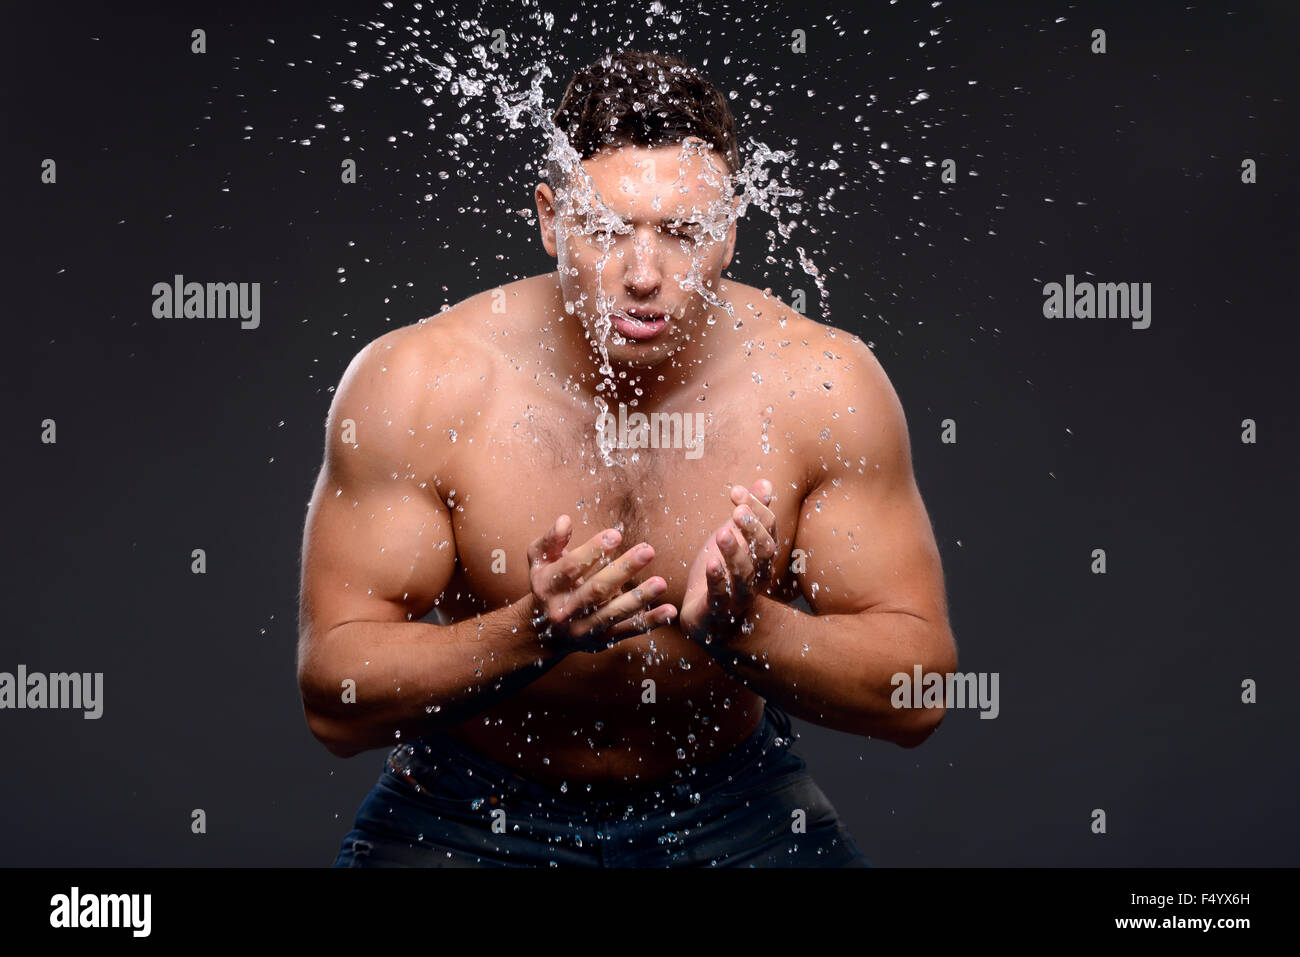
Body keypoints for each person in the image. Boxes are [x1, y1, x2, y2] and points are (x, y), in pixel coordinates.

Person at [297, 50, 957, 867]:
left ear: (729, 233)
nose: (642, 275)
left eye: (682, 232)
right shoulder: (422, 383)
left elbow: (920, 692)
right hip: (472, 803)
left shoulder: (820, 385)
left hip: (731, 803)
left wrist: (751, 631)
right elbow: (334, 697)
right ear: (549, 218)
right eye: (605, 230)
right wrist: (528, 633)